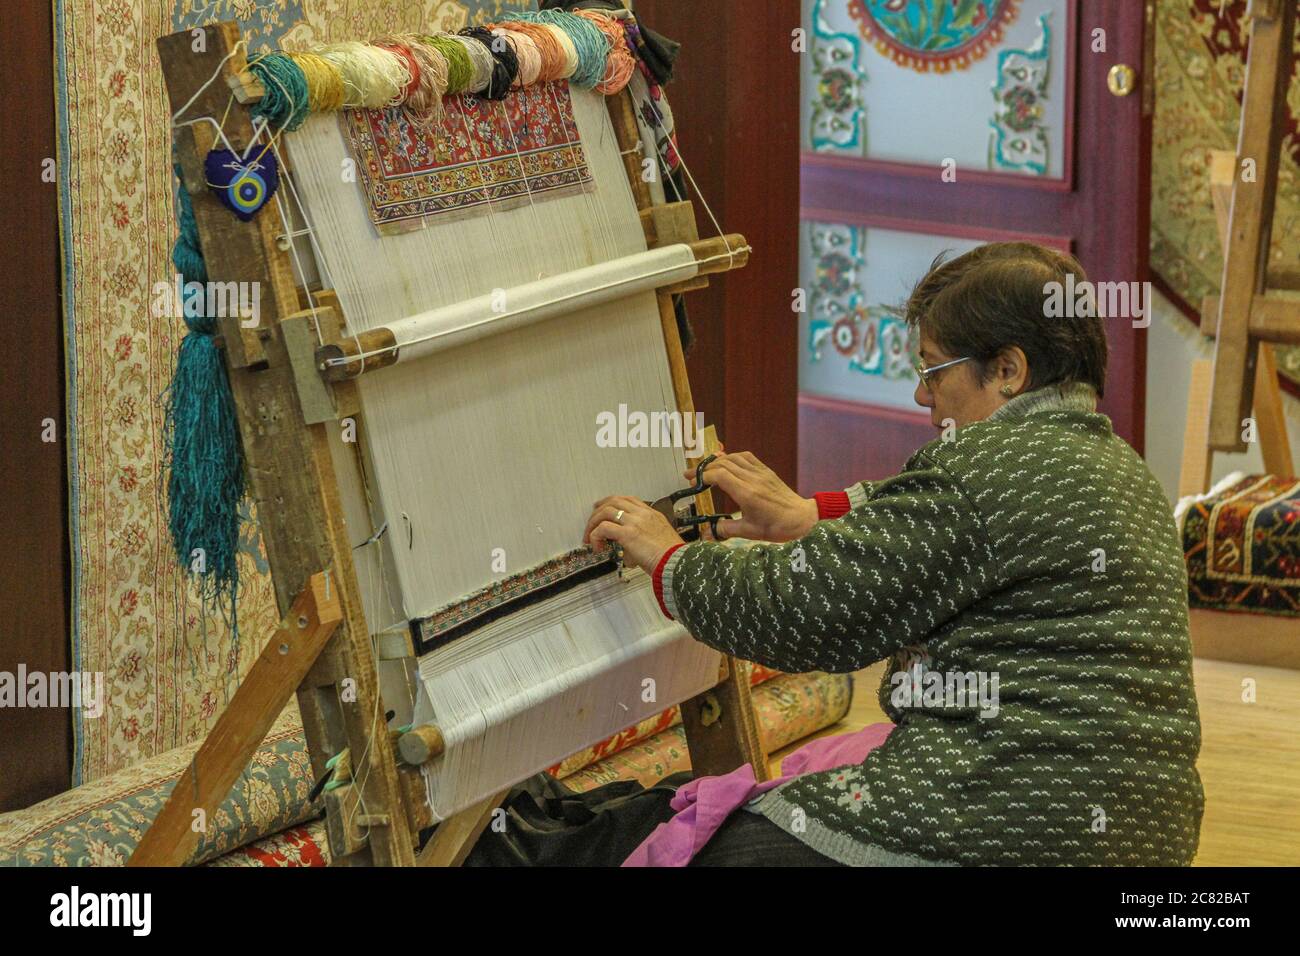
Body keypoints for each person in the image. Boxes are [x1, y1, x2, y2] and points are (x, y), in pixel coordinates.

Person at [481, 241, 1205, 866]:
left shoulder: (987, 467)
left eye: (934, 371)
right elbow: (929, 523)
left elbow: (808, 615)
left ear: (1008, 370)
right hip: (1138, 829)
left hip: (1001, 820)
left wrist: (670, 559)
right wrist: (808, 517)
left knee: (678, 843)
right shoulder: (1114, 467)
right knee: (676, 810)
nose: (925, 398)